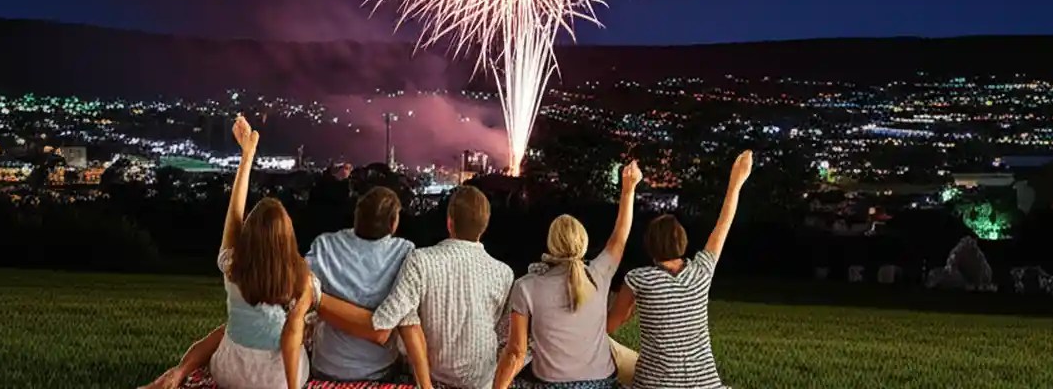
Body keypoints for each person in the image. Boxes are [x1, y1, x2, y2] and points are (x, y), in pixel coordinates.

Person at [140, 116, 318, 389]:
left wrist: (247, 156)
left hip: (229, 374)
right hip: (278, 380)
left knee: (227, 330)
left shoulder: (233, 264)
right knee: (303, 328)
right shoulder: (302, 277)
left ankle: (179, 372)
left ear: (249, 235)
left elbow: (234, 218)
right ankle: (178, 372)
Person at [317, 185, 513, 389]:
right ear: (485, 225)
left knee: (408, 318)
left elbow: (382, 324)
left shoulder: (421, 261)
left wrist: (318, 299)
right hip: (483, 383)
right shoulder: (504, 273)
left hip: (433, 379)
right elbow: (505, 337)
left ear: (449, 222)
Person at [606, 150, 753, 389]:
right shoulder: (701, 272)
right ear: (682, 242)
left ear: (649, 245)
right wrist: (736, 181)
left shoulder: (638, 280)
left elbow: (609, 326)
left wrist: (628, 190)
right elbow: (722, 225)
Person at [492, 161, 644, 389]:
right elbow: (619, 237)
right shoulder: (598, 275)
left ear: (551, 244)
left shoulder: (526, 286)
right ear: (583, 243)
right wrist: (628, 190)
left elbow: (516, 352)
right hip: (601, 383)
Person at [304, 186, 416, 380]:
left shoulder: (324, 246)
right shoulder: (404, 252)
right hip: (379, 370)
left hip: (327, 365)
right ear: (393, 223)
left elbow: (299, 289)